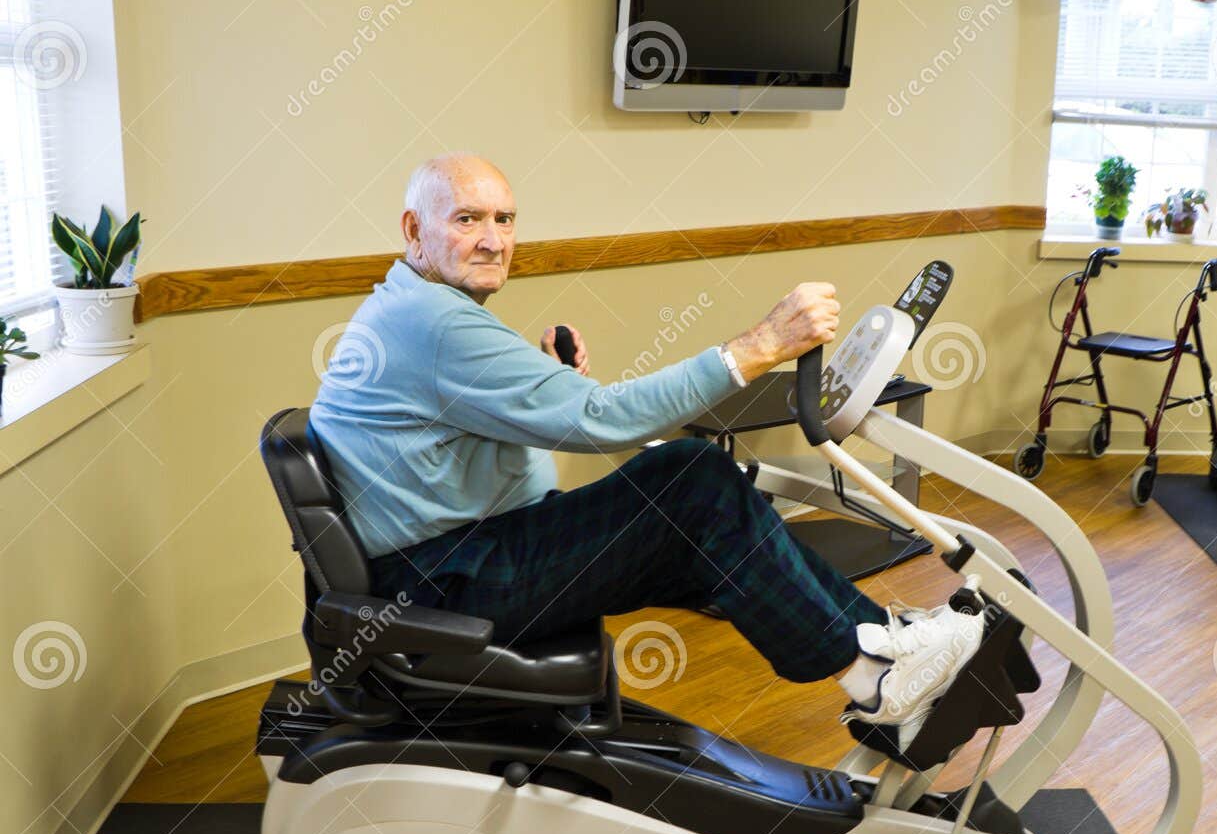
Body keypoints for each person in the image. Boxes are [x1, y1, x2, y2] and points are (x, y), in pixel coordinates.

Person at [308, 153, 981, 750]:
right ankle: (879, 673)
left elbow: (477, 438)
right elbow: (604, 421)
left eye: (506, 219)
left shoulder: (416, 307)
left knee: (700, 509)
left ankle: (881, 652)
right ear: (412, 230)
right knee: (693, 478)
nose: (493, 240)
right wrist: (757, 349)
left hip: (453, 557)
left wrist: (558, 389)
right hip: (440, 581)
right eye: (467, 219)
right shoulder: (432, 322)